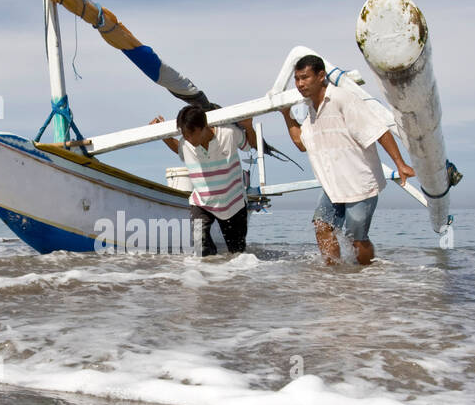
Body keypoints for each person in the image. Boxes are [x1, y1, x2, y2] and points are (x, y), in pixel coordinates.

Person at [280, 54, 415, 266]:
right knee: (322, 226)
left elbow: (379, 131)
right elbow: (301, 142)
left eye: (305, 77)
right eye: (297, 79)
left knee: (356, 240)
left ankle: (365, 274)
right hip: (333, 185)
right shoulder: (310, 109)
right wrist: (286, 114)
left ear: (321, 75)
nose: (300, 84)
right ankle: (333, 275)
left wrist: (400, 164)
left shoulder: (343, 99)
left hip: (359, 183)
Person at [158, 104, 256, 256]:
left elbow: (249, 145)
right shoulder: (186, 143)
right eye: (185, 134)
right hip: (202, 203)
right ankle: (208, 276)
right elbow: (179, 148)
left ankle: (230, 278)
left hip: (233, 203)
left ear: (203, 127)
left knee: (237, 256)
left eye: (192, 133)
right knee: (200, 247)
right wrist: (163, 136)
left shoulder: (228, 133)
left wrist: (249, 126)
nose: (189, 139)